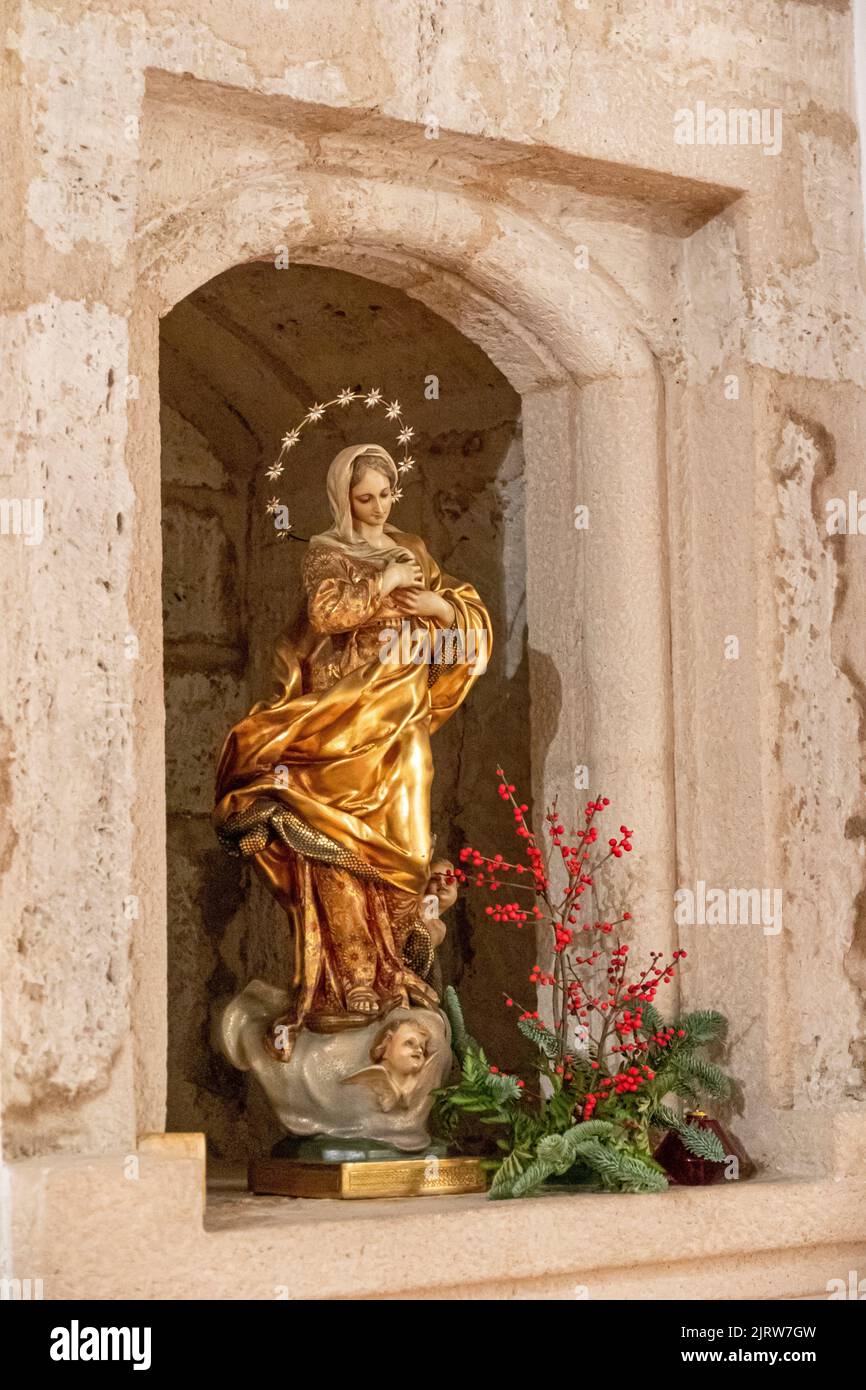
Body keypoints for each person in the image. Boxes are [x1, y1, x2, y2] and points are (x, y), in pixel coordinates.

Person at [213, 443, 492, 1058]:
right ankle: (354, 975)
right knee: (336, 841)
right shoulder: (325, 551)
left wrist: (439, 606)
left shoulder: (414, 546)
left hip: (402, 715)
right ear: (343, 497)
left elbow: (461, 619)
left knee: (409, 847)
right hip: (344, 716)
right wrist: (384, 583)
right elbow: (325, 612)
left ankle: (397, 968)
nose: (376, 507)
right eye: (363, 498)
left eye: (385, 495)